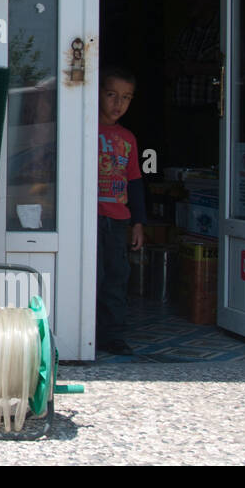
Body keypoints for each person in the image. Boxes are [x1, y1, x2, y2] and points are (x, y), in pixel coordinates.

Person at [96, 66, 146, 356]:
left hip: (117, 220)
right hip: (90, 218)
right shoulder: (86, 129)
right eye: (112, 95)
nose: (118, 104)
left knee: (116, 277)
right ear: (98, 93)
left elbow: (135, 181)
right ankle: (86, 332)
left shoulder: (128, 138)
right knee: (94, 276)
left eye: (126, 98)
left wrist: (138, 223)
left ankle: (112, 336)